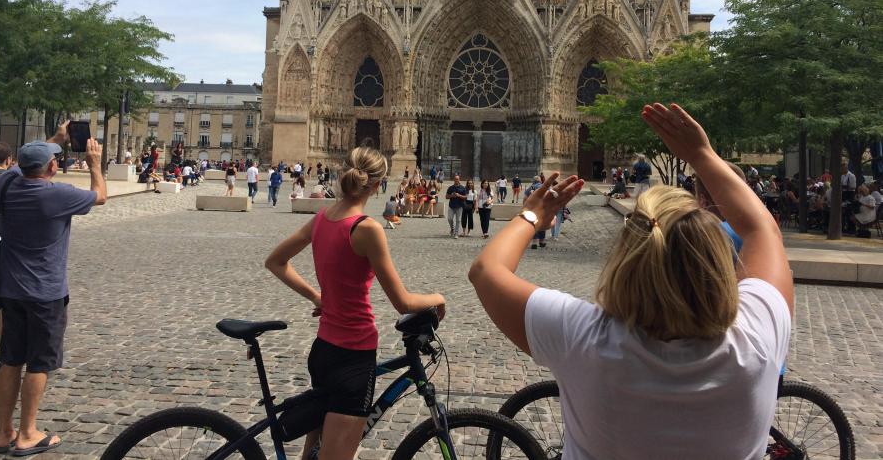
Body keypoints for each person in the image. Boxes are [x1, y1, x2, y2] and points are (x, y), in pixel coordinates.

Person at [469, 103, 793, 460]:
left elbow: (486, 270)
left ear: (626, 259)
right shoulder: (757, 340)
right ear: (717, 260)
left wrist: (532, 216)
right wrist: (702, 155)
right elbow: (762, 229)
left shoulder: (584, 337)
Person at [264, 147, 444, 460]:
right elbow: (403, 302)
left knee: (313, 453)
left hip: (323, 351)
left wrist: (317, 297)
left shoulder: (322, 218)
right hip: (354, 357)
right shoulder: (367, 229)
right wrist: (439, 298)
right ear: (377, 185)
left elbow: (275, 261)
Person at [0, 126, 108, 456]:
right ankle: (28, 433)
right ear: (53, 167)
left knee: (10, 360)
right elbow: (100, 195)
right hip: (45, 292)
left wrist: (55, 140)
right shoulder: (57, 195)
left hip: (10, 289)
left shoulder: (7, 186)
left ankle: (3, 433)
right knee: (39, 363)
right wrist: (95, 164)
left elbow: (21, 166)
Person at [0, 142, 14, 369]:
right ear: (8, 160)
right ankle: (4, 354)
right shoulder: (11, 181)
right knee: (7, 305)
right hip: (2, 247)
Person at [524, 176, 546, 248]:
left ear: (533, 181)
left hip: (532, 209)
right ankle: (542, 241)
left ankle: (534, 242)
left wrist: (525, 207)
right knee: (542, 225)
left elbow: (525, 198)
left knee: (534, 224)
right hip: (542, 209)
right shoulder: (544, 187)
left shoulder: (531, 188)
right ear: (540, 181)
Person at [445, 175, 466, 239]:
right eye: (455, 179)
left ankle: (456, 233)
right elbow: (446, 196)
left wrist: (459, 195)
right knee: (450, 219)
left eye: (457, 179)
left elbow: (465, 197)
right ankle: (452, 228)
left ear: (459, 180)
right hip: (451, 206)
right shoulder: (450, 188)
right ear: (454, 180)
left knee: (458, 220)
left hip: (459, 206)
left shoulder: (462, 188)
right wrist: (452, 195)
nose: (456, 180)